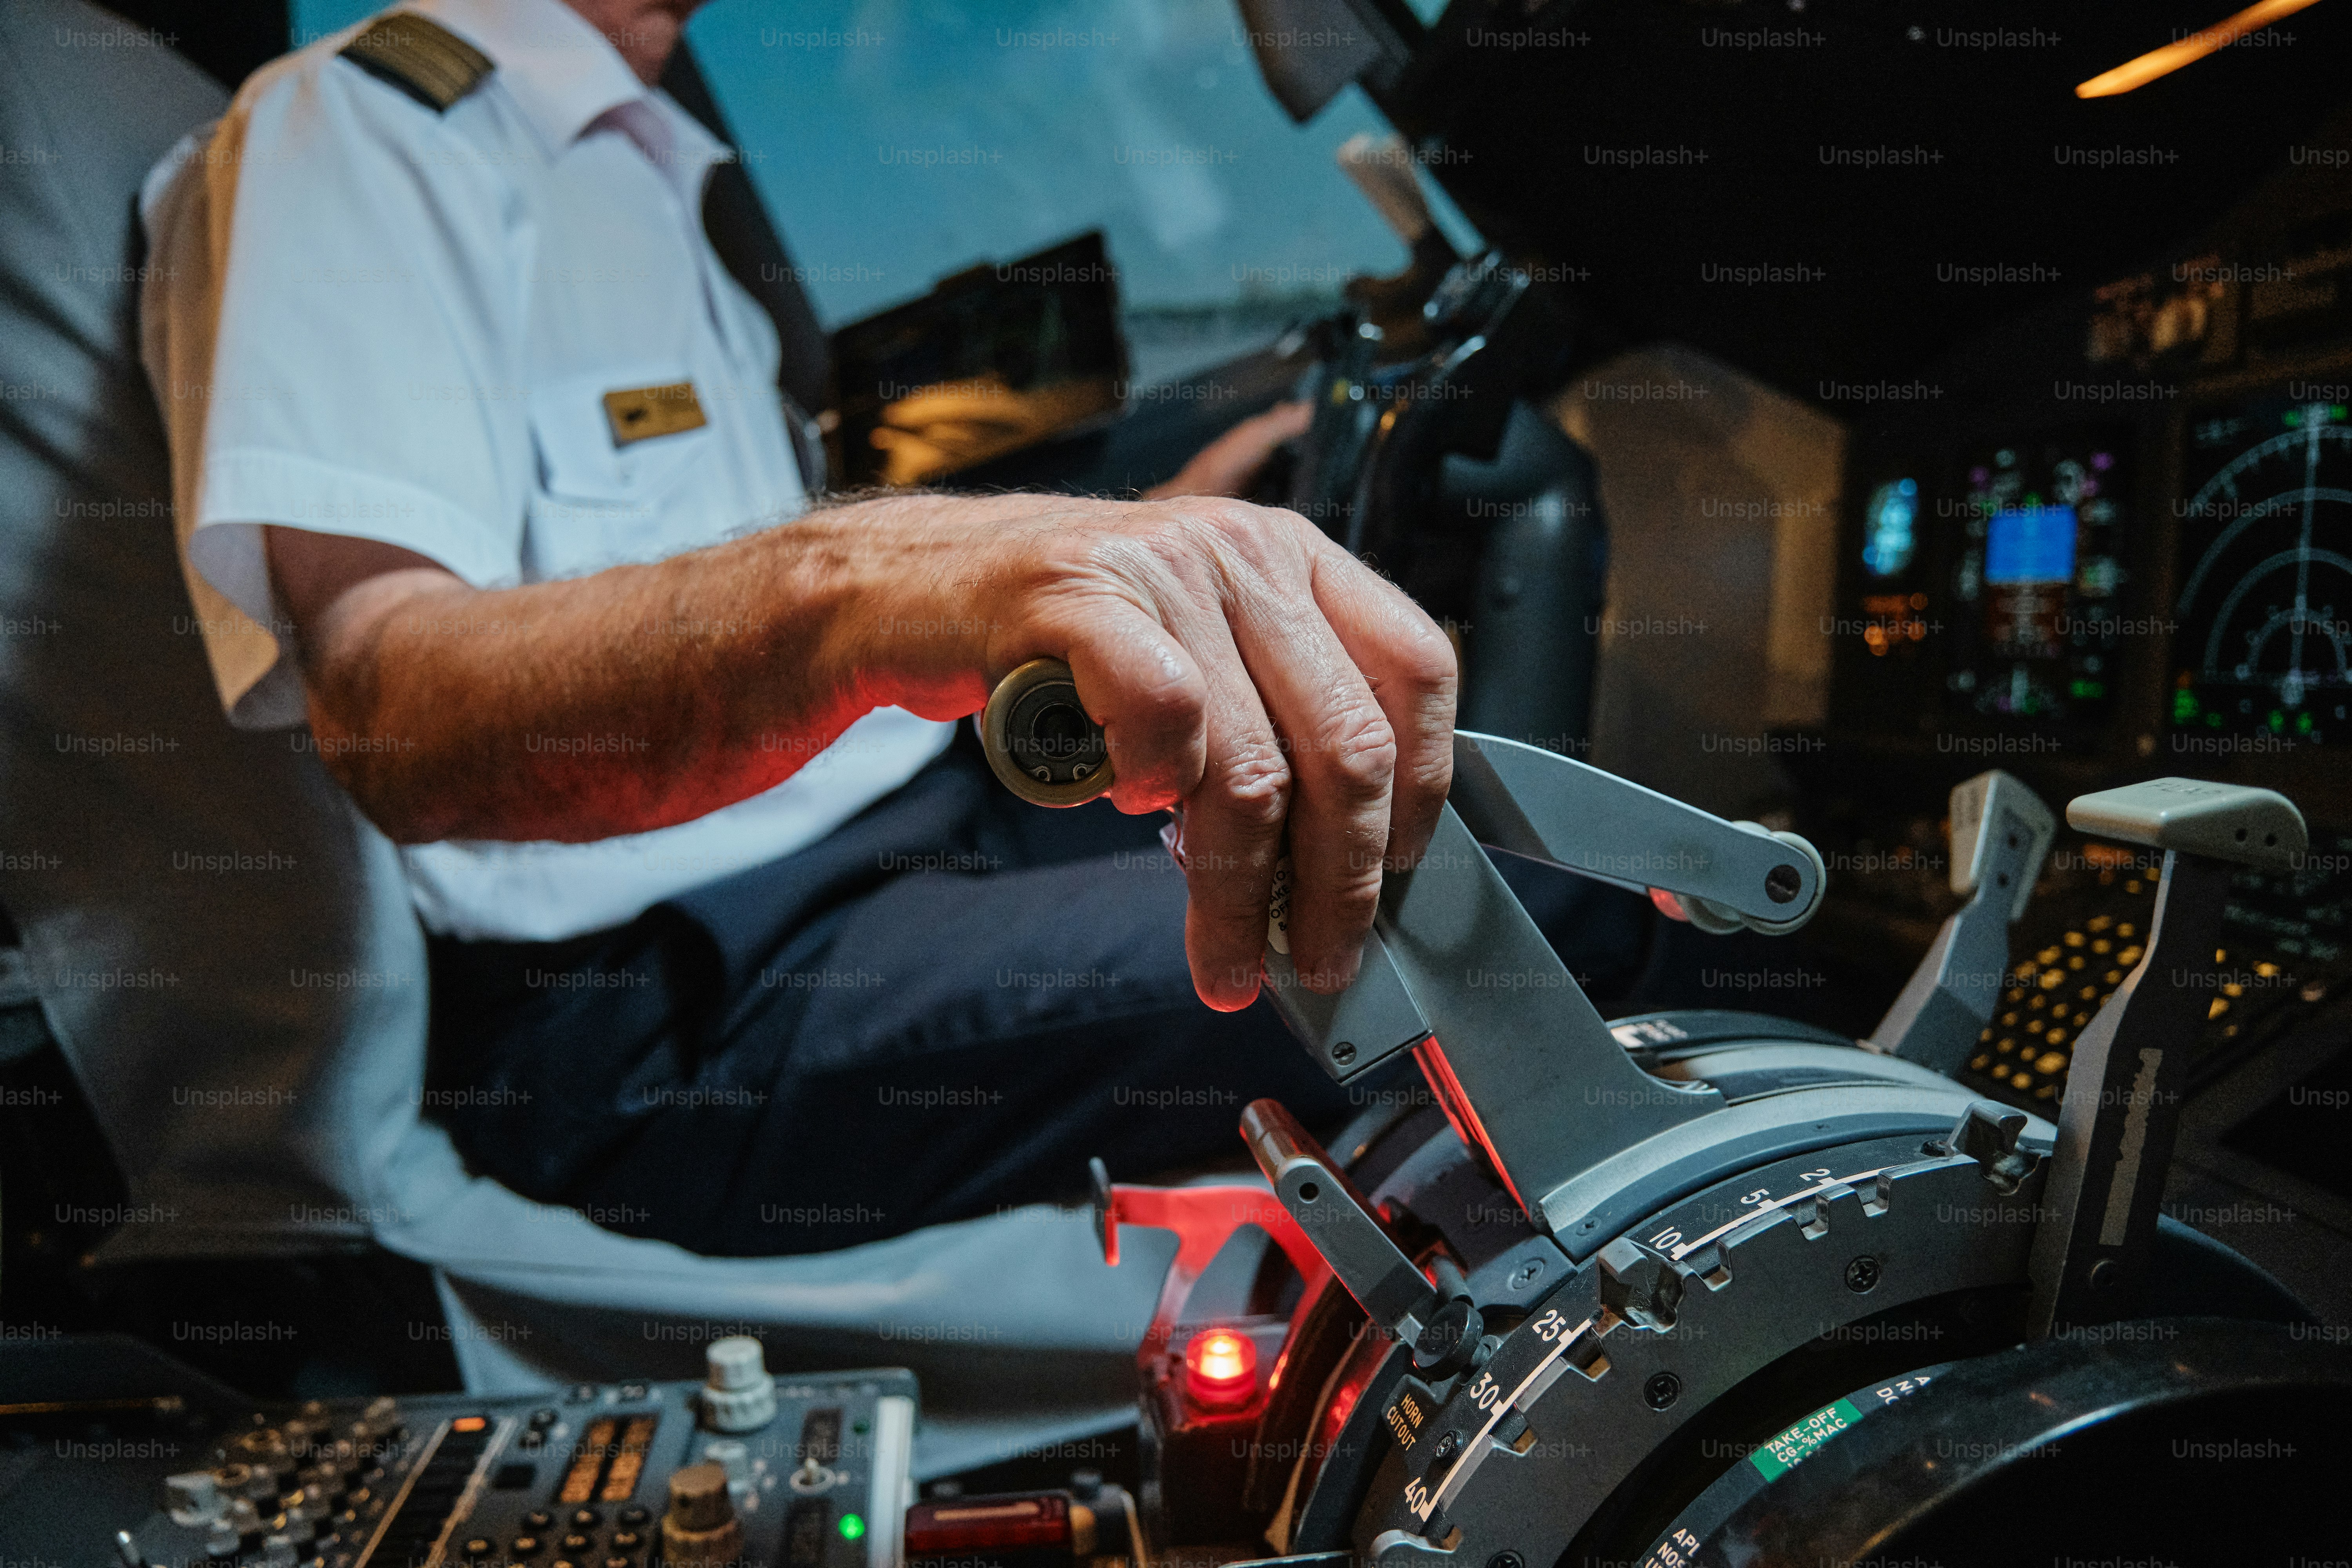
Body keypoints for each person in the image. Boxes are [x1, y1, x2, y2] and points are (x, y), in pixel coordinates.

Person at [139, 0, 1459, 1256]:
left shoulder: (643, 155)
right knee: (1482, 934)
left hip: (914, 820)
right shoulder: (356, 129)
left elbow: (681, 560)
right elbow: (389, 705)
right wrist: (857, 582)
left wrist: (1146, 529)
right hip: (678, 994)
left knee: (1450, 831)